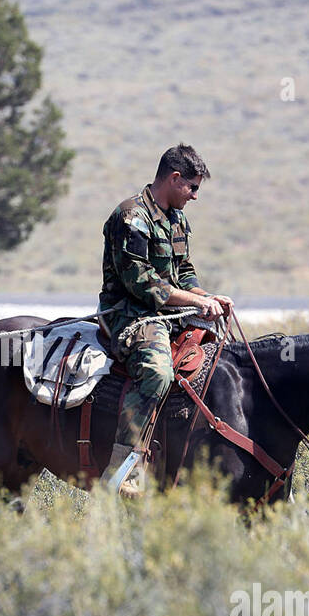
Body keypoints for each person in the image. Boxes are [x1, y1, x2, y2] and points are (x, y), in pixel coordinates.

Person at [96, 143, 234, 496]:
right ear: (174, 178)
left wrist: (206, 297)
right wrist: (194, 301)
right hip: (131, 315)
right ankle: (124, 467)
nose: (195, 196)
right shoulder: (131, 217)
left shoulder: (177, 218)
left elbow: (183, 270)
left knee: (226, 356)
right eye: (193, 187)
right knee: (157, 373)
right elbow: (141, 283)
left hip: (169, 312)